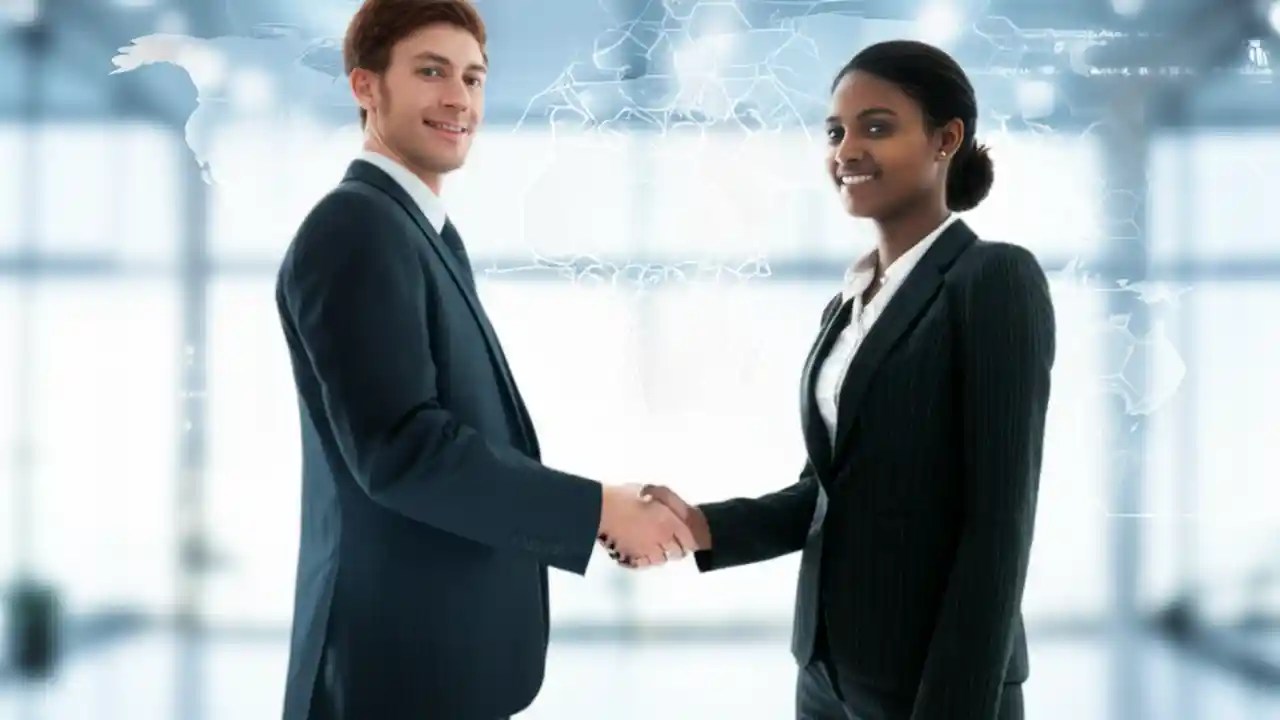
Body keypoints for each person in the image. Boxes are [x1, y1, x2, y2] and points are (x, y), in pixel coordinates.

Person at [273, 2, 695, 718]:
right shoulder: (357, 228)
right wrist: (596, 509)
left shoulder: (416, 232)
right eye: (431, 72)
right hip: (395, 679)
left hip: (432, 669)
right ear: (365, 87)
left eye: (473, 78)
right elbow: (403, 451)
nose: (459, 98)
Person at [623, 40, 1056, 719]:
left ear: (946, 140)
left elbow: (1001, 523)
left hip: (934, 686)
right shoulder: (848, 306)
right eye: (836, 131)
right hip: (826, 674)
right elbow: (826, 493)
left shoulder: (992, 279)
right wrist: (701, 526)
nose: (846, 149)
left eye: (877, 127)